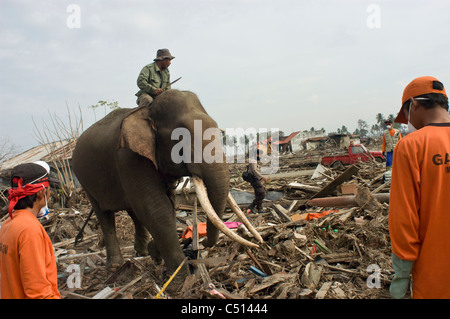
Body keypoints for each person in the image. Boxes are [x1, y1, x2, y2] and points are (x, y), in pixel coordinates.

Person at [389, 76, 450, 299]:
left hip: (436, 275)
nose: (407, 122)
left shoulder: (411, 146)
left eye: (406, 116)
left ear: (413, 104)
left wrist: (402, 272)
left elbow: (404, 217)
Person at [0, 161, 61, 299]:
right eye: (49, 188)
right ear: (41, 192)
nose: (50, 193)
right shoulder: (29, 230)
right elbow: (38, 293)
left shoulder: (8, 224)